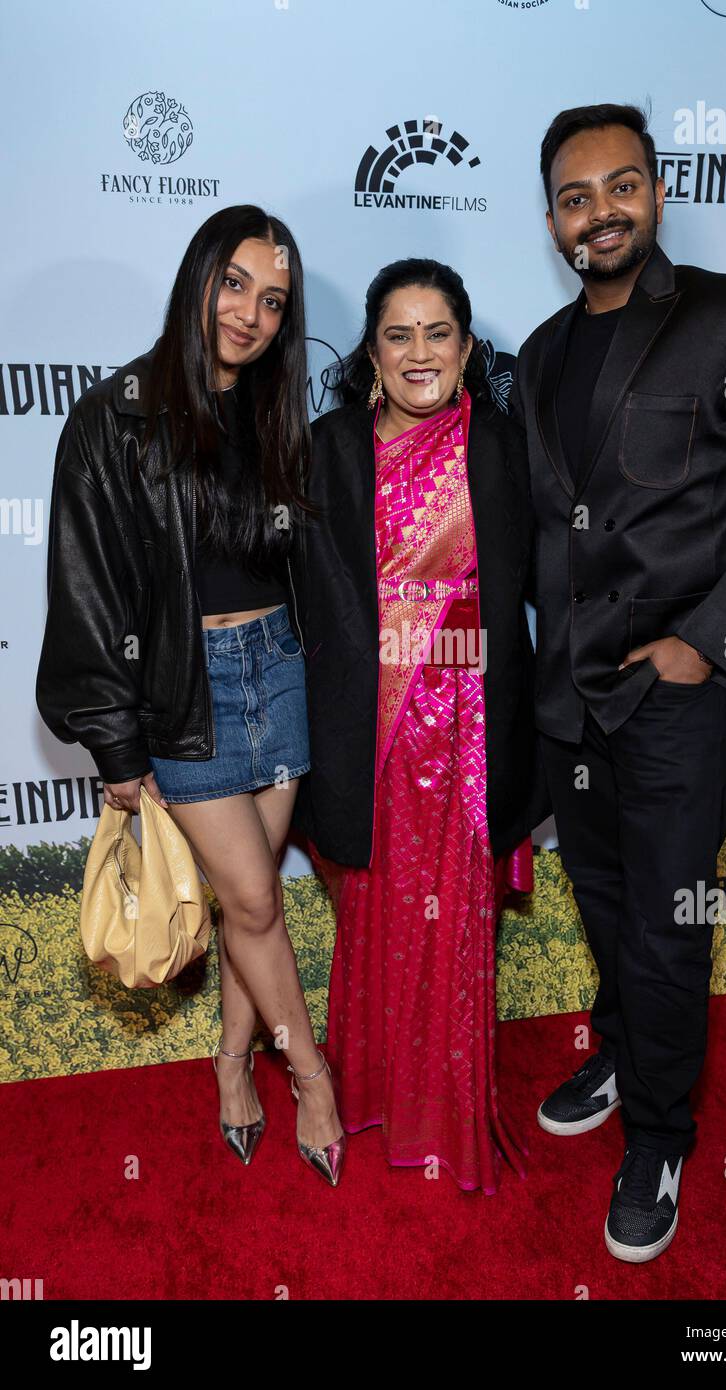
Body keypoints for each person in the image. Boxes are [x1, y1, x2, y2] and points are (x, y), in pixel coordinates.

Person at [510, 104, 726, 1259]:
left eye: (618, 186)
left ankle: (658, 1130)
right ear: (549, 217)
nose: (597, 212)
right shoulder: (541, 357)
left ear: (656, 191)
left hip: (671, 700)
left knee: (665, 925)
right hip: (569, 701)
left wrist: (703, 640)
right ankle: (622, 1047)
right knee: (604, 904)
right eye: (571, 196)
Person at [35, 204, 345, 1187]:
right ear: (197, 275)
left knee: (246, 906)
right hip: (188, 694)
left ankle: (228, 1061)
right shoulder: (112, 414)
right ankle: (310, 1075)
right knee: (254, 902)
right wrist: (117, 747)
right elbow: (83, 584)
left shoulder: (270, 409)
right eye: (235, 282)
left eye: (274, 298)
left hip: (278, 674)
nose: (250, 312)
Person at [292, 258, 550, 1195]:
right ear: (370, 352)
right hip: (371, 731)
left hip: (473, 726)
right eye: (397, 335)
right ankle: (369, 1093)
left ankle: (446, 1103)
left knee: (453, 929)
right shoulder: (326, 449)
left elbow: (544, 580)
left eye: (437, 333)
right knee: (378, 918)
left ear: (468, 347)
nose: (419, 353)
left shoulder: (505, 445)